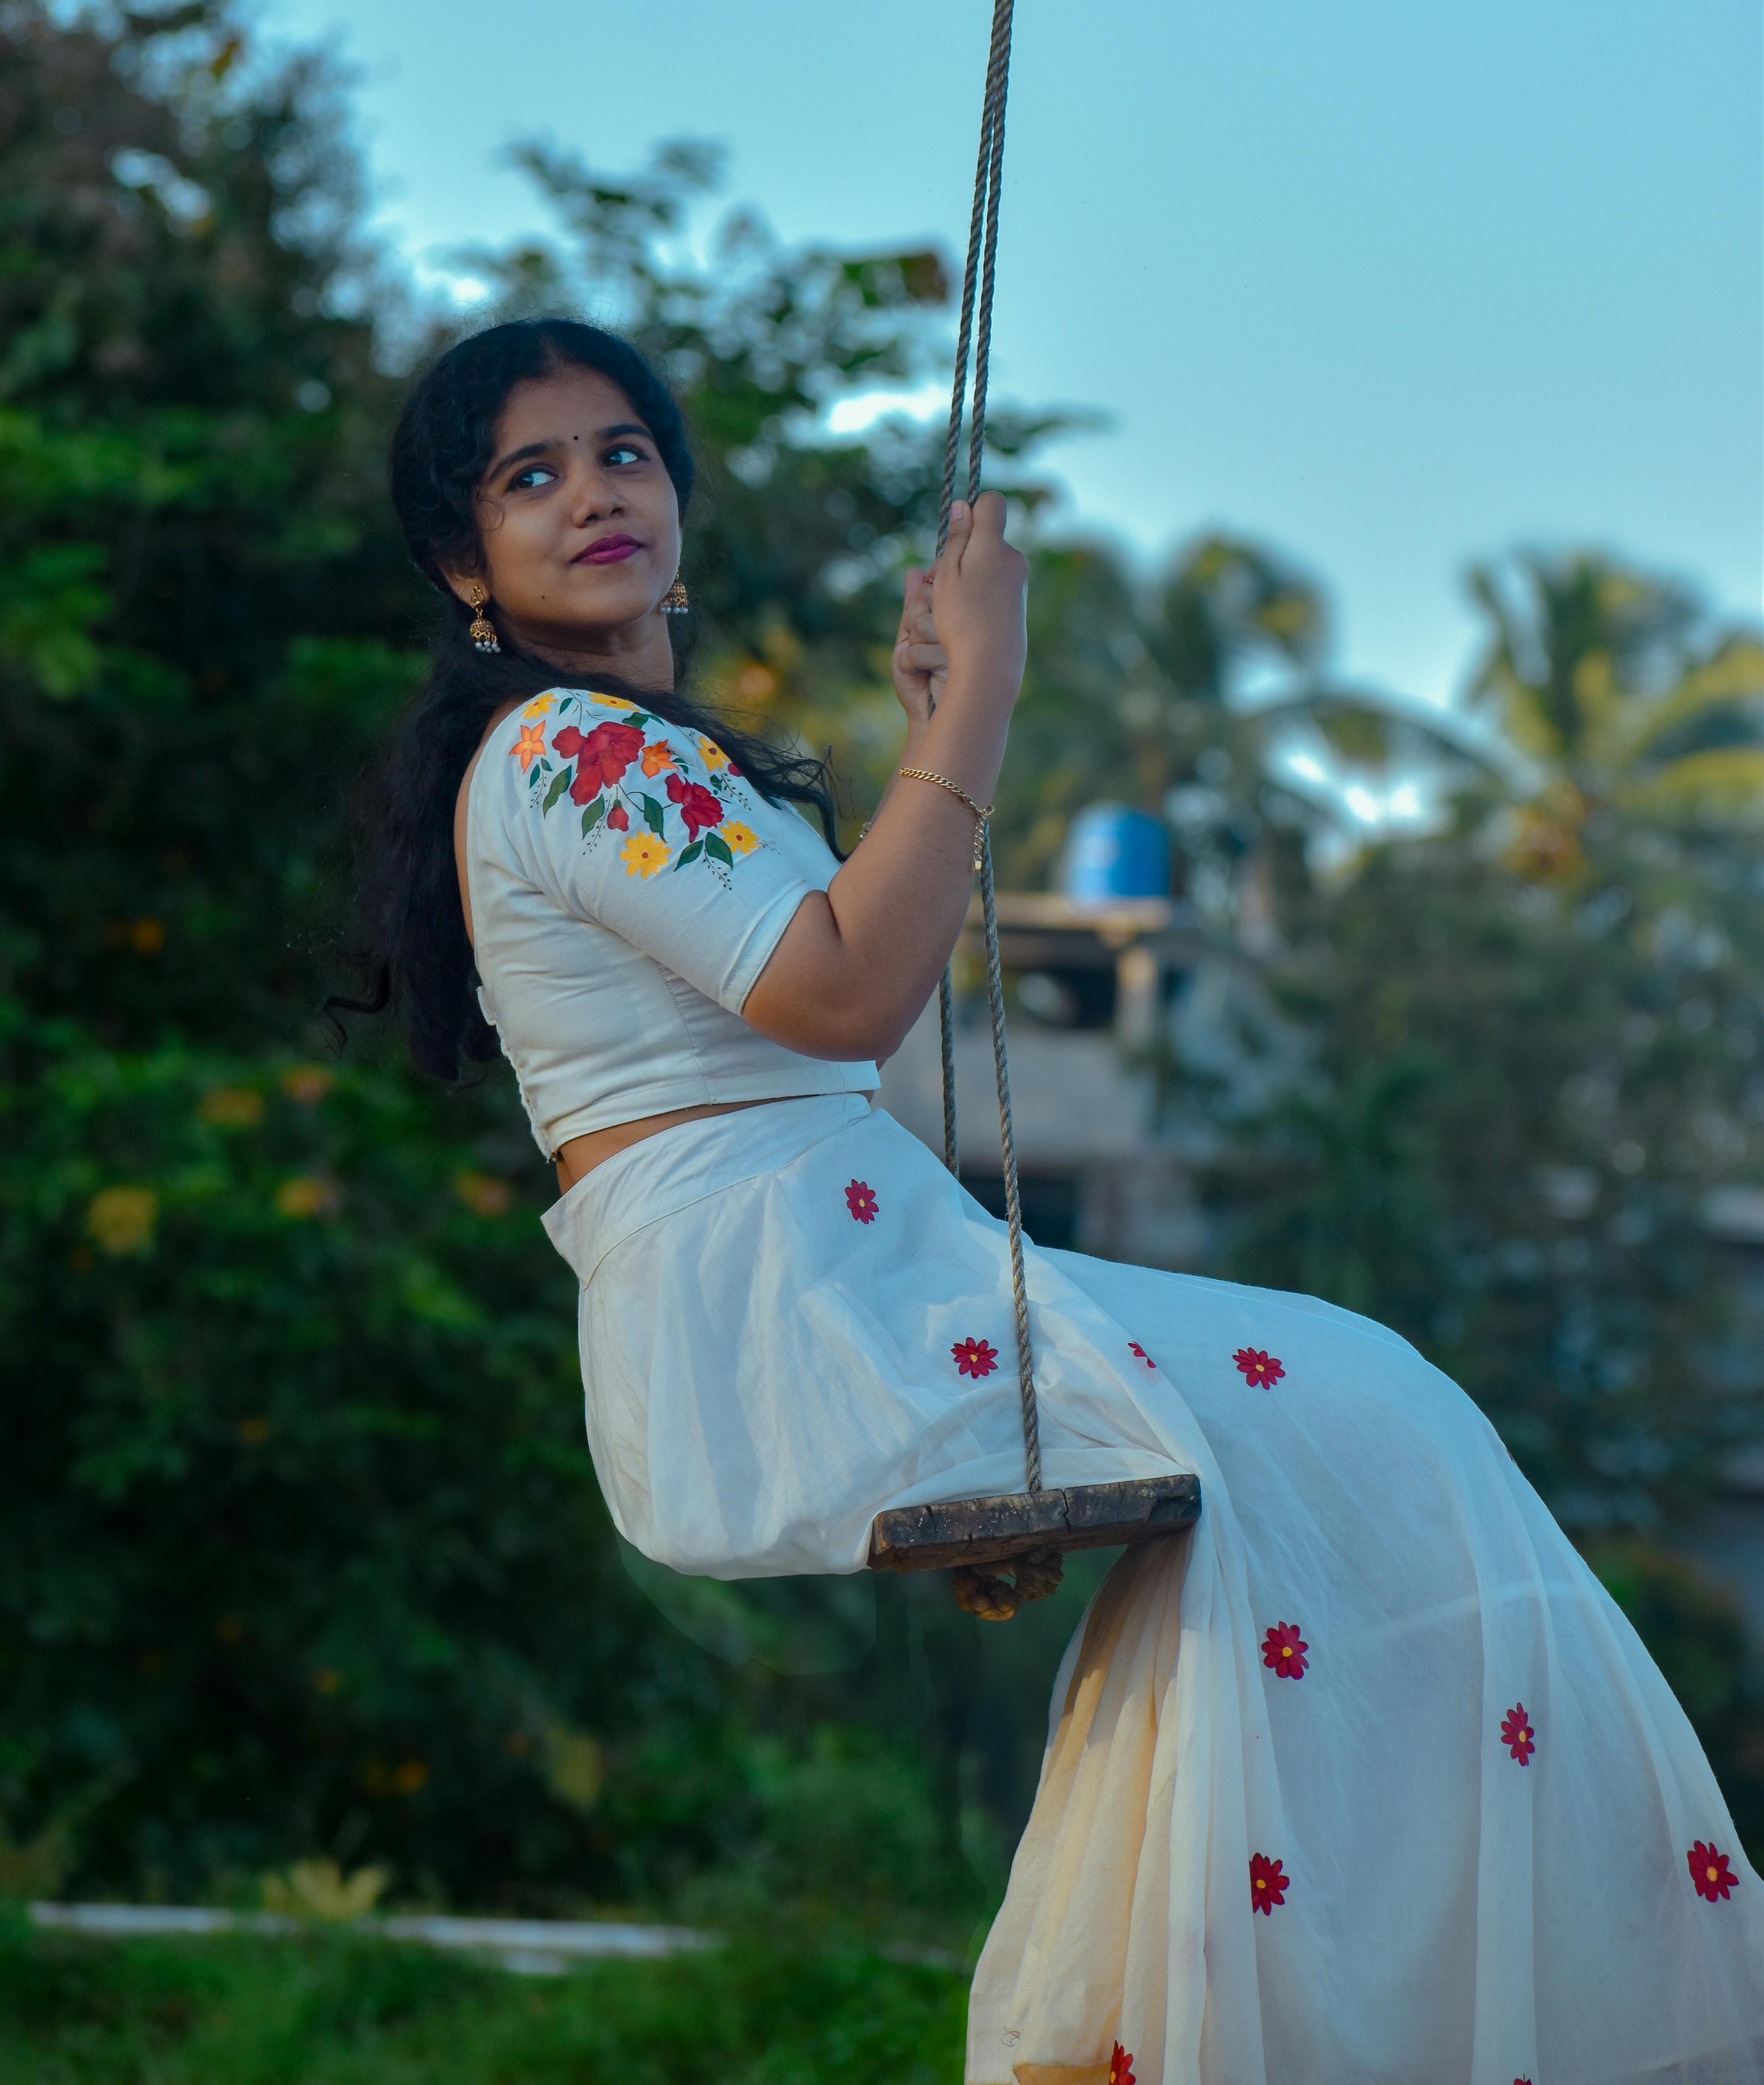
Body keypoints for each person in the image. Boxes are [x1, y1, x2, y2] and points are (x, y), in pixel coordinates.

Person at [351, 316, 1764, 2085]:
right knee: (1389, 1424)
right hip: (797, 1310)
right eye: (528, 477)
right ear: (457, 560)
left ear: (679, 491)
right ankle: (1405, 2013)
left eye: (624, 454)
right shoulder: (575, 751)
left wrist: (940, 723)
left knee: (1337, 1473)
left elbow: (836, 993)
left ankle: (1226, 2022)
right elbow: (849, 996)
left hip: (808, 1295)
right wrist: (991, 687)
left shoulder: (614, 754)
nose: (594, 496)